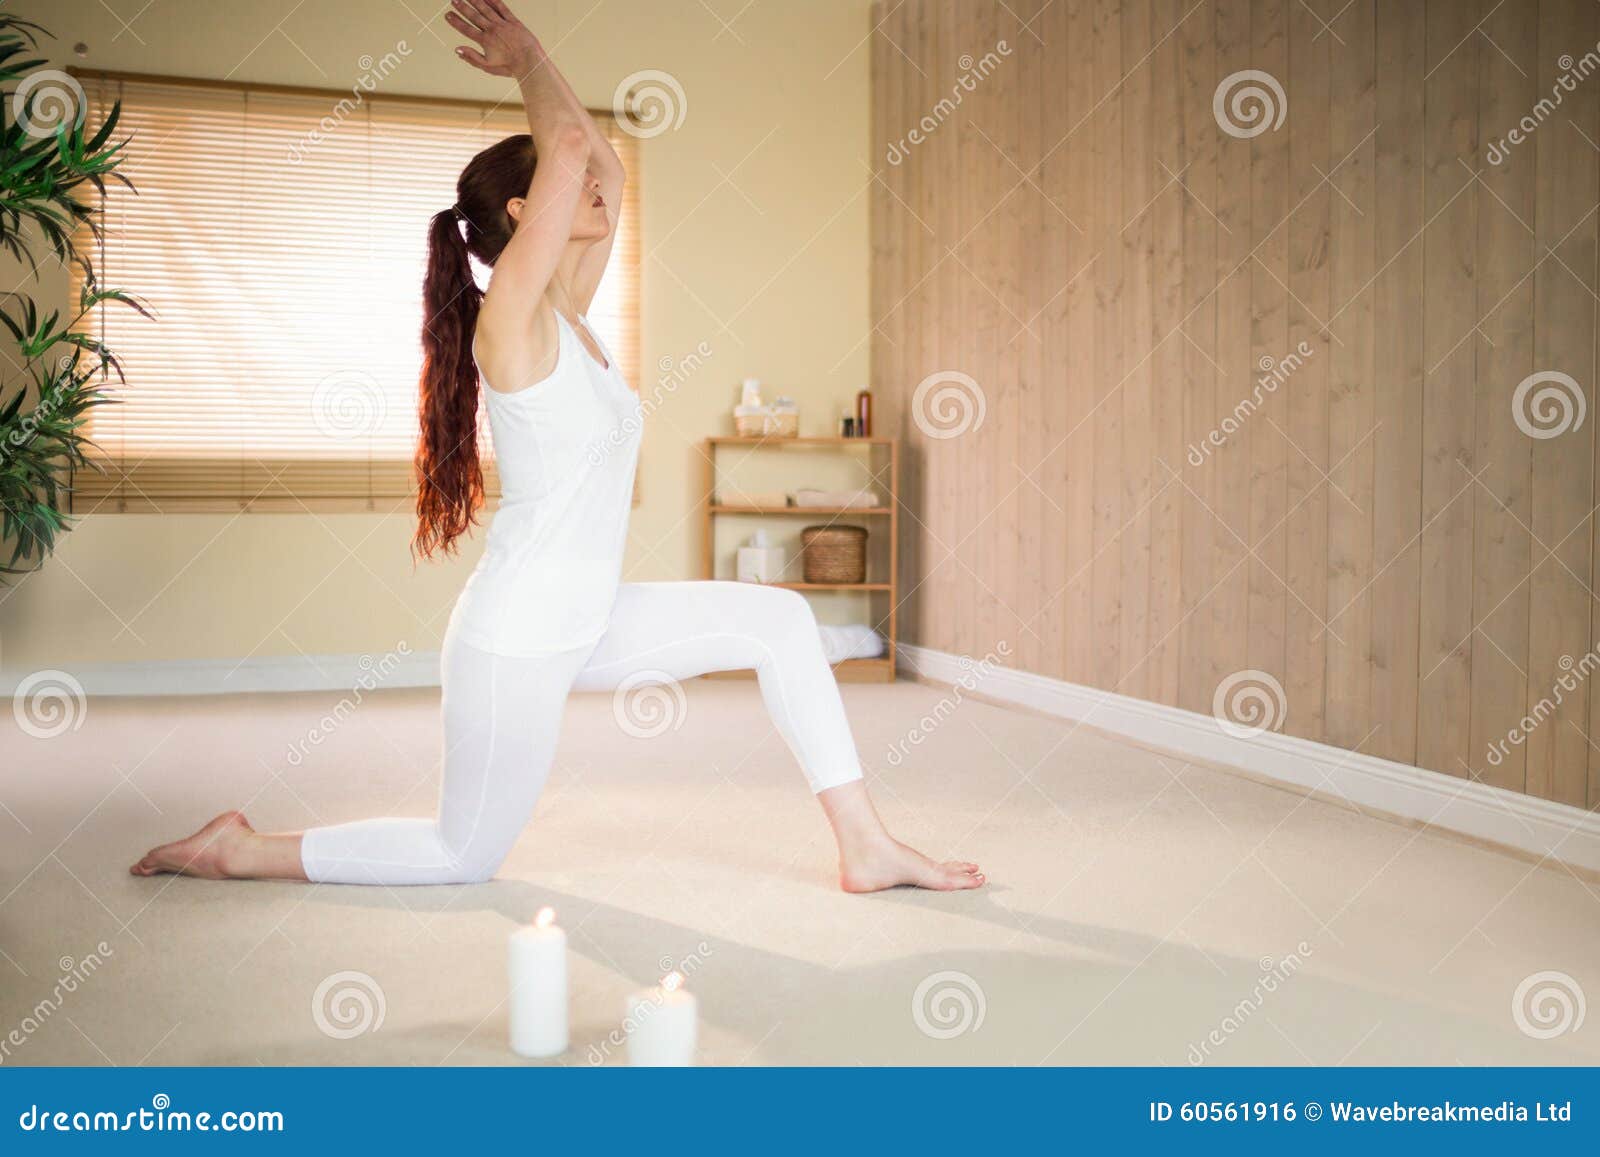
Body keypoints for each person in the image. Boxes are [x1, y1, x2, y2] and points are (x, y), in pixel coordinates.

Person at [131, 0, 983, 894]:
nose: (601, 192)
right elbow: (576, 150)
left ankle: (865, 844)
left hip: (591, 617)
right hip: (518, 638)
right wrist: (530, 60)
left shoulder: (568, 313)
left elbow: (598, 157)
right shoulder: (512, 324)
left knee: (781, 620)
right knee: (460, 856)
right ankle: (236, 847)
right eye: (567, 191)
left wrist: (541, 76)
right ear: (524, 210)